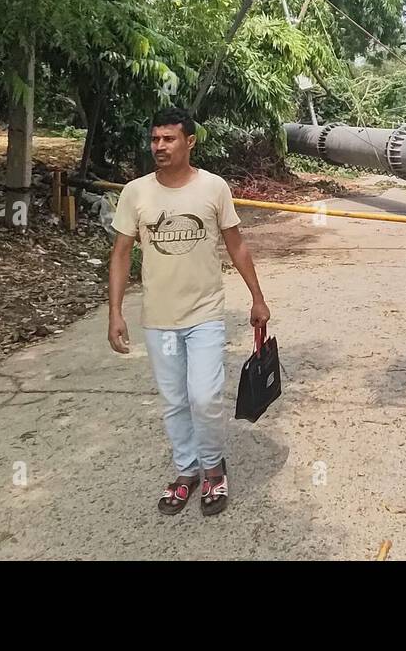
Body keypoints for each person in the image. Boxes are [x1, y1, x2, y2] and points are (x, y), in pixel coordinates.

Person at [107, 106, 271, 518]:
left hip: (205, 314)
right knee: (174, 400)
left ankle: (213, 468)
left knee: (204, 396)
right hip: (158, 317)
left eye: (168, 139)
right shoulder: (136, 192)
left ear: (190, 141)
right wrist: (115, 312)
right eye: (154, 139)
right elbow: (122, 254)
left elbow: (236, 245)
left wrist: (257, 296)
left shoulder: (214, 188)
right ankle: (186, 472)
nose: (159, 147)